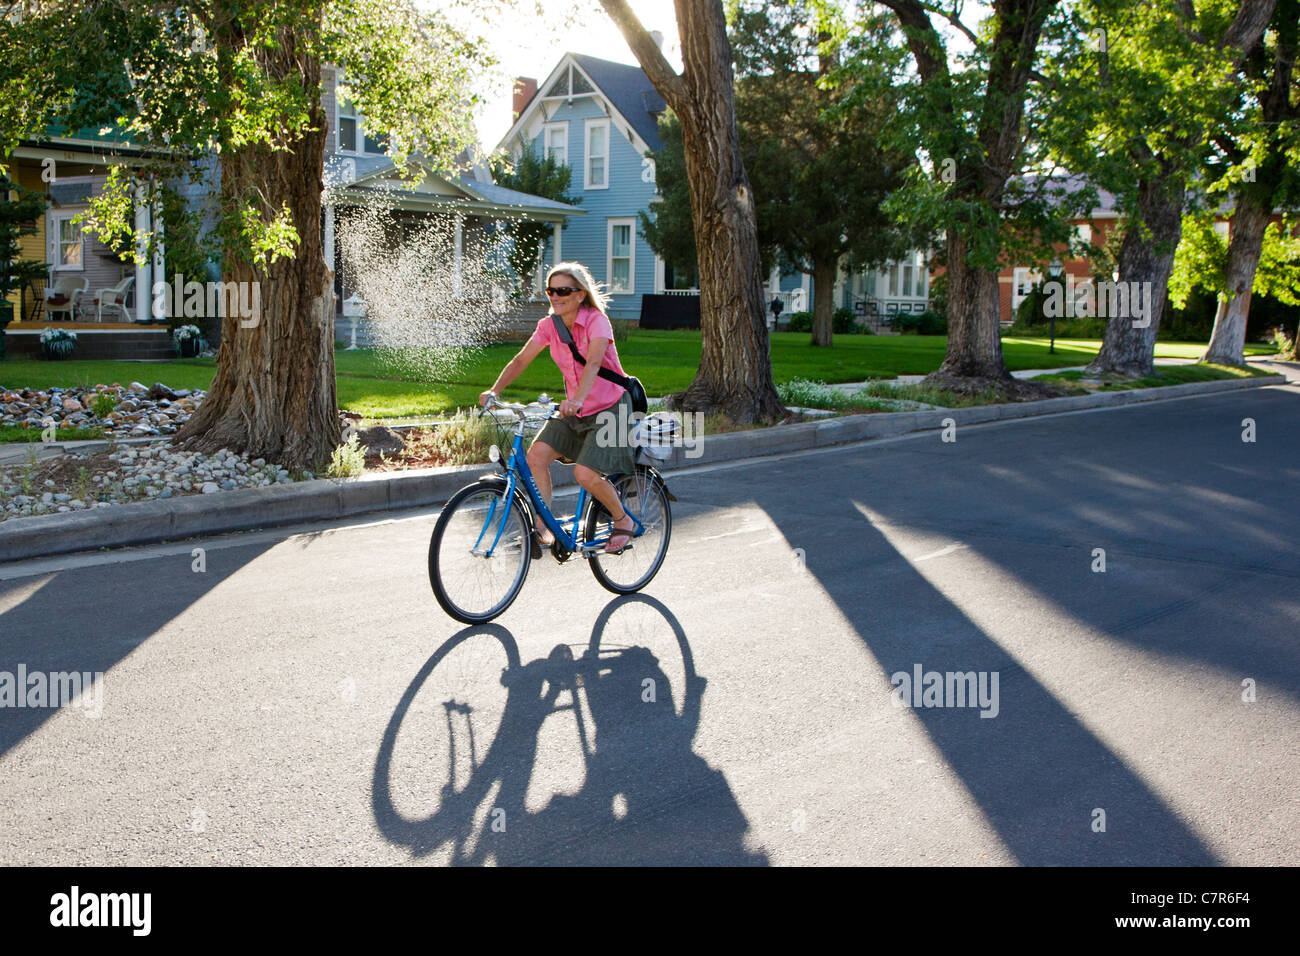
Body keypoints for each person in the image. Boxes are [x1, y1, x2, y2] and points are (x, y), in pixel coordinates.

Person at [480, 262, 639, 553]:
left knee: (585, 474)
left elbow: (593, 363)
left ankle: (622, 518)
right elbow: (521, 360)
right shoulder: (548, 326)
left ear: (580, 294)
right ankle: (543, 530)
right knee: (536, 457)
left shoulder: (596, 321)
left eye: (563, 290)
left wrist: (577, 398)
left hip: (612, 408)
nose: (555, 296)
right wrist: (495, 390)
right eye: (550, 290)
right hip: (574, 411)